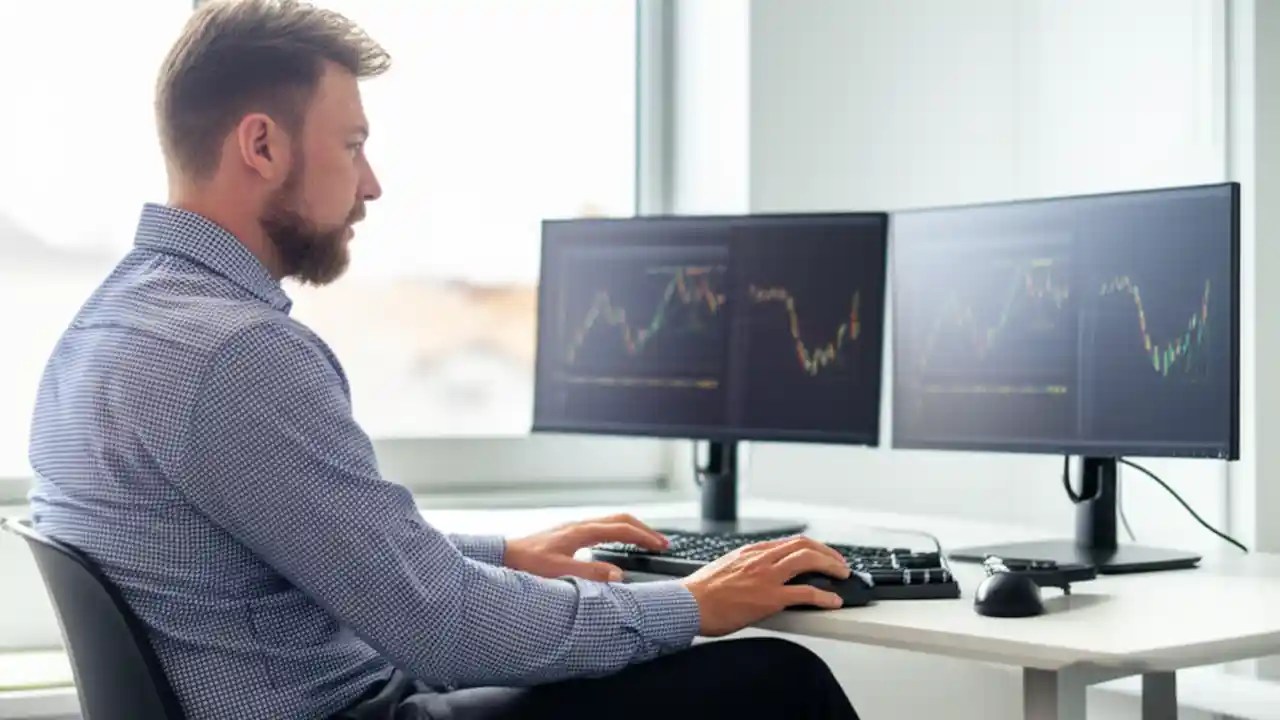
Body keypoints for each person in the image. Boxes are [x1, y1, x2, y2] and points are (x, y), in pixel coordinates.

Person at [26, 1, 862, 718]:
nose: (372, 184)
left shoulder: (104, 333)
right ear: (262, 146)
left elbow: (323, 542)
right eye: (351, 144)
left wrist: (506, 554)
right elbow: (447, 631)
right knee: (777, 680)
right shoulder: (238, 354)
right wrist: (692, 602)